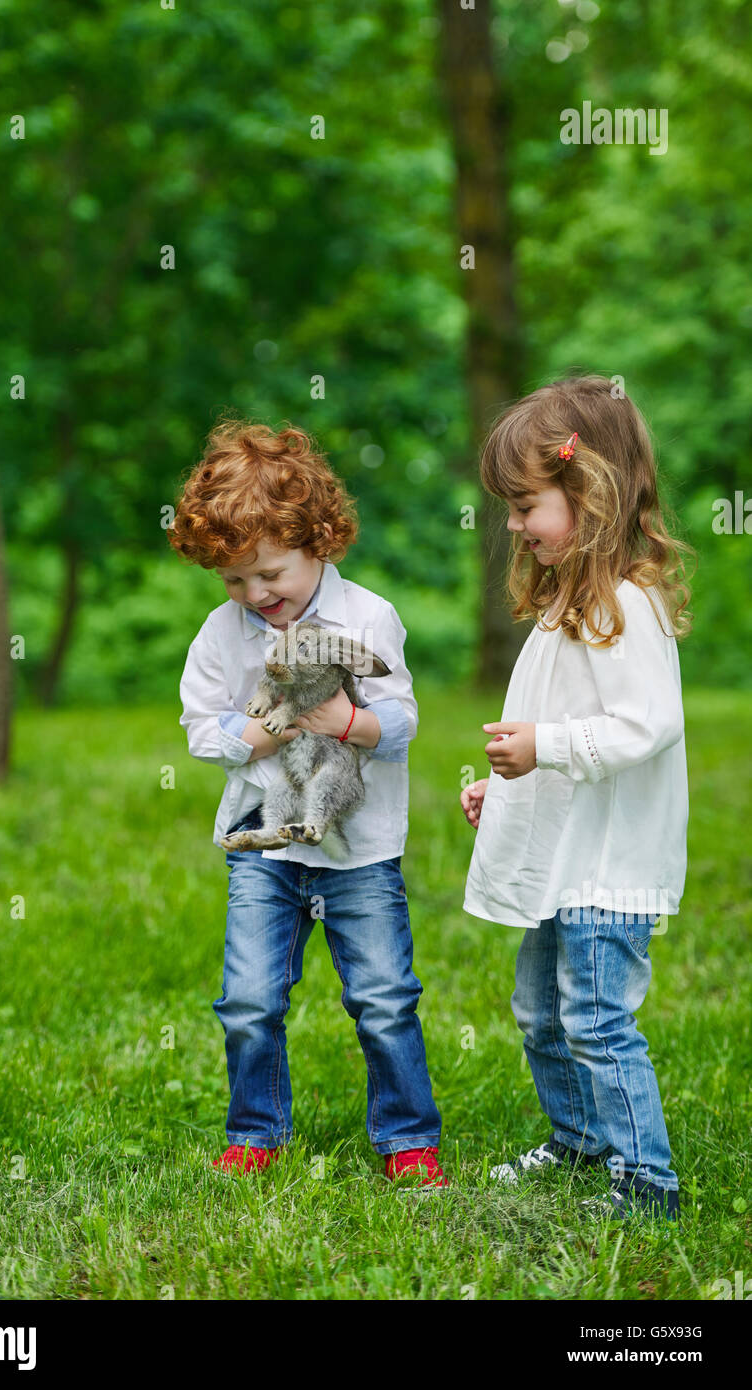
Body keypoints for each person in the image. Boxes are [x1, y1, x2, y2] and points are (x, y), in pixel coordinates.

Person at [169, 418, 447, 1186]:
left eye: (270, 574)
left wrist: (348, 722)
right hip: (266, 846)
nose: (255, 595)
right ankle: (257, 1129)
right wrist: (256, 730)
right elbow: (200, 728)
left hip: (359, 853)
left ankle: (408, 1140)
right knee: (249, 999)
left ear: (318, 540)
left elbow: (401, 721)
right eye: (233, 580)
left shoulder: (368, 617)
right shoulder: (223, 635)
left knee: (384, 997)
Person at [460, 375, 694, 1222]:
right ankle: (578, 1141)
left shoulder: (623, 604)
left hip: (606, 869)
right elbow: (563, 723)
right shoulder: (570, 600)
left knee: (595, 1022)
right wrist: (509, 783)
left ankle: (647, 1183)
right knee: (541, 1015)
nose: (513, 525)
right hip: (566, 860)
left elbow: (645, 726)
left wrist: (542, 749)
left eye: (525, 505)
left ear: (587, 490)